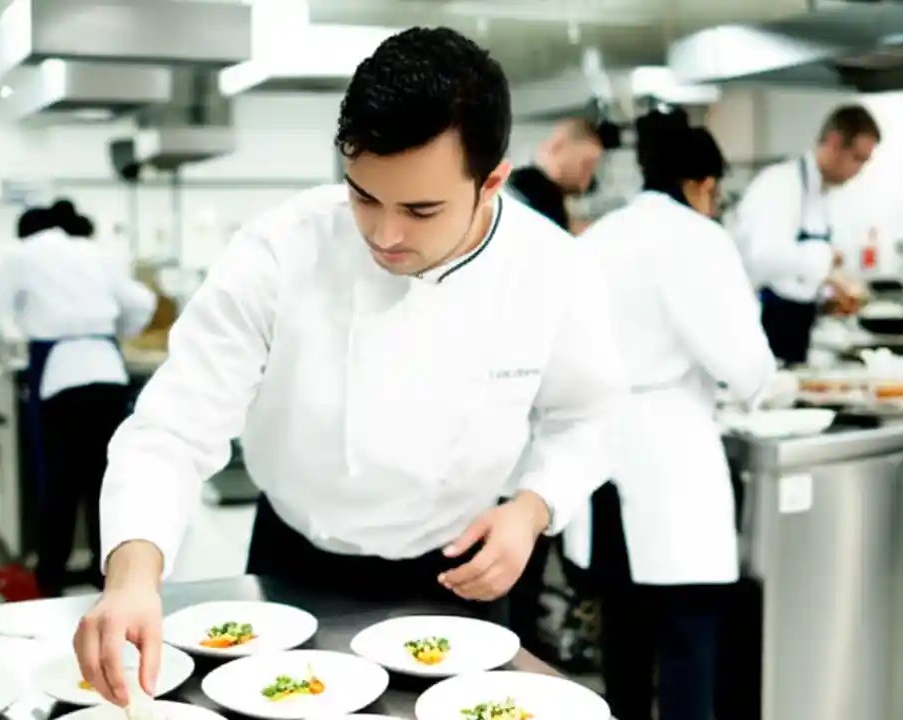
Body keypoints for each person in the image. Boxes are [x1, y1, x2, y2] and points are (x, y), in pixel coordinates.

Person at [74, 27, 623, 707]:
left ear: (492, 182)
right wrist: (131, 576)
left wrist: (532, 509)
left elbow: (590, 414)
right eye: (363, 195)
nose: (386, 235)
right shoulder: (281, 250)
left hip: (458, 576)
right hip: (291, 568)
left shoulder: (552, 268)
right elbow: (173, 428)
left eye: (421, 209)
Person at [580, 110, 776, 720]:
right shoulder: (697, 238)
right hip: (670, 466)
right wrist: (760, 386)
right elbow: (745, 366)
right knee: (689, 643)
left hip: (602, 459)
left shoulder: (599, 237)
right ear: (702, 184)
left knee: (624, 638)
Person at [0, 202, 156, 598]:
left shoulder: (22, 254)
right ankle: (105, 574)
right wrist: (117, 334)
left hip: (58, 373)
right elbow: (141, 302)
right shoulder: (95, 251)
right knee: (105, 480)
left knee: (58, 482)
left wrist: (11, 353)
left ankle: (50, 579)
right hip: (108, 370)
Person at [731, 104, 881, 365]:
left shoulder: (823, 194)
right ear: (834, 142)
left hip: (797, 330)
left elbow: (800, 278)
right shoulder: (778, 185)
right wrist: (827, 267)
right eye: (858, 159)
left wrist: (826, 297)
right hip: (761, 330)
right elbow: (764, 257)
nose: (859, 171)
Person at [508, 117, 609, 233]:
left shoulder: (519, 191)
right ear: (557, 146)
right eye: (586, 165)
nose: (587, 180)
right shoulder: (533, 200)